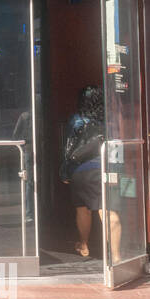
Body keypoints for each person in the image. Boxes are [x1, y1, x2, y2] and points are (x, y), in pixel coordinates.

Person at [59, 85, 119, 259]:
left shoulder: (77, 120)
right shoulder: (111, 120)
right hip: (104, 168)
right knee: (107, 210)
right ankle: (116, 257)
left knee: (82, 209)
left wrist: (66, 170)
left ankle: (84, 245)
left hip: (81, 169)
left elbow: (69, 146)